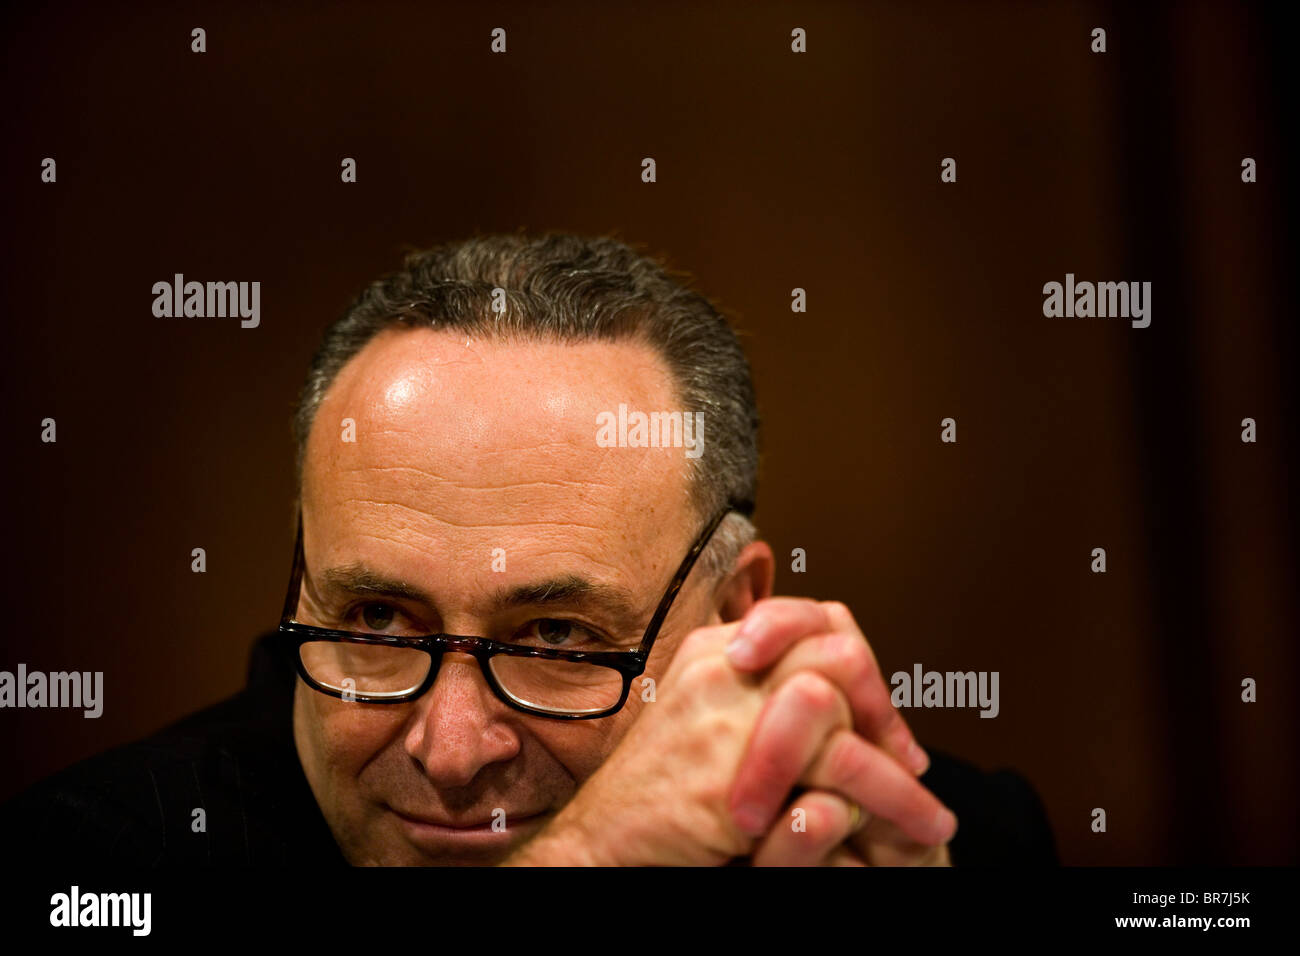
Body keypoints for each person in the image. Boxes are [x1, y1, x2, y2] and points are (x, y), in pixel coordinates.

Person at [0, 232, 1057, 866]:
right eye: (374, 619)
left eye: (556, 635)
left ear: (736, 612)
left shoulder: (949, 838)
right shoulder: (91, 855)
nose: (451, 750)